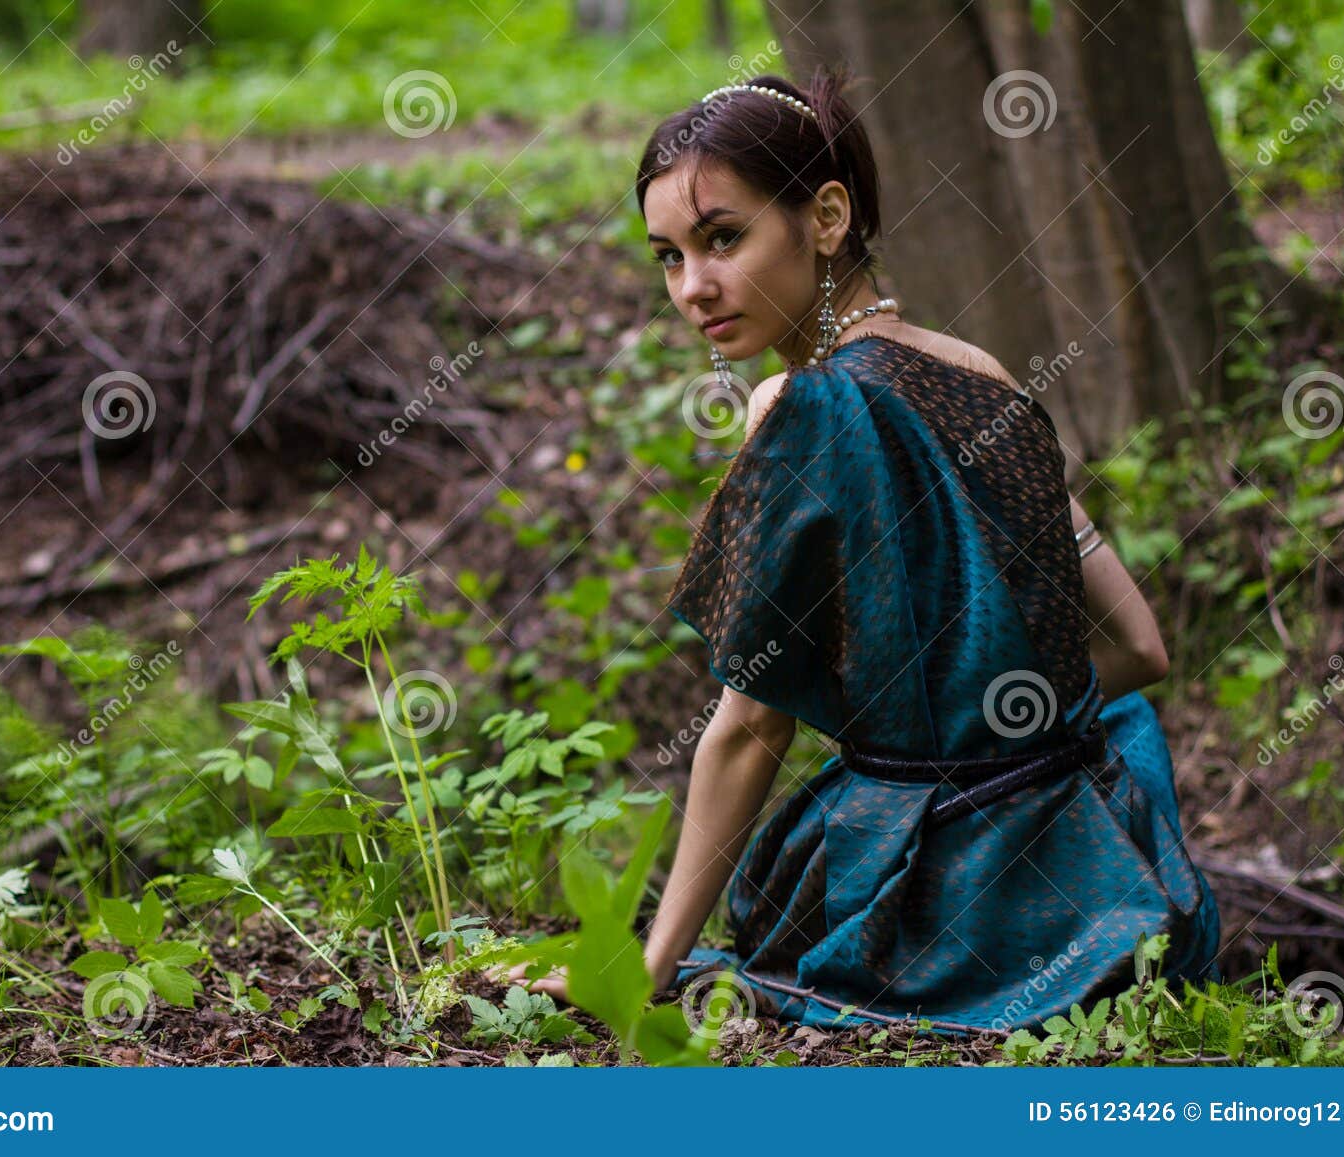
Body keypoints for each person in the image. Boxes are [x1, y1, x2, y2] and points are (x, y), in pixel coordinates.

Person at [507, 65, 1221, 1034]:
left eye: (722, 238)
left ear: (827, 216)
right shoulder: (984, 374)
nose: (692, 287)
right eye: (666, 257)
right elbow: (1140, 646)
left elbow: (751, 729)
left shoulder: (799, 408)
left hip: (941, 909)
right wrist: (997, 733)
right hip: (1100, 885)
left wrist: (648, 963)